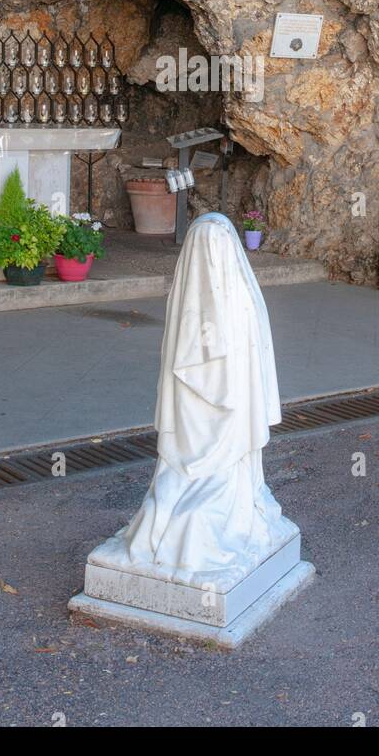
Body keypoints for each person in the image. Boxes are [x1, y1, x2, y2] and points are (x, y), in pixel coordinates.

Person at [87, 212, 295, 587]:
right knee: (196, 483)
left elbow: (218, 360)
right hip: (205, 415)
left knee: (199, 483)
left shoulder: (223, 296)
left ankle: (191, 512)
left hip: (210, 418)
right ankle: (192, 513)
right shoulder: (228, 295)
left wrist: (222, 385)